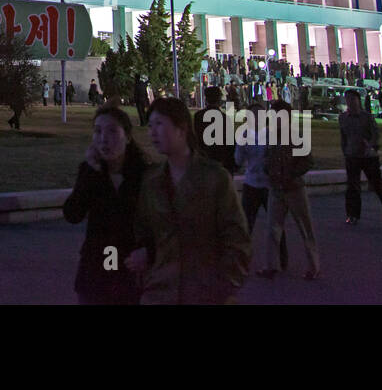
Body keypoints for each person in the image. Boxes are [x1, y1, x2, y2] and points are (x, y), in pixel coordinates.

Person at [127, 97, 251, 304]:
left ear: (181, 128)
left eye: (159, 124)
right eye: (150, 126)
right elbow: (144, 232)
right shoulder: (151, 181)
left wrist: (226, 285)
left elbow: (236, 238)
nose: (153, 133)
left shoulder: (215, 177)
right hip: (160, 291)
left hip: (205, 291)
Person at [63, 105, 148, 304]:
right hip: (95, 273)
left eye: (112, 131)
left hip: (132, 271)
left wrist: (148, 252)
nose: (104, 139)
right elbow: (72, 214)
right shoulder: (90, 172)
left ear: (127, 136)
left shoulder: (144, 175)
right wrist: (90, 172)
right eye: (98, 131)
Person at [259, 100, 320, 279]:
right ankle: (271, 265)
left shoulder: (296, 136)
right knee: (272, 228)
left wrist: (290, 174)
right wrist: (268, 171)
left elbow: (308, 161)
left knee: (305, 228)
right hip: (277, 188)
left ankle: (314, 266)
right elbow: (267, 158)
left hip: (294, 188)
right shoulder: (270, 137)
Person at [234, 101, 288, 274]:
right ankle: (241, 260)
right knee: (246, 225)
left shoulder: (273, 135)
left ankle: (281, 260)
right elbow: (238, 160)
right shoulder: (244, 135)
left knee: (275, 225)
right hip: (252, 184)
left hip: (269, 185)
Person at [338, 89, 382, 224]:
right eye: (348, 99)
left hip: (368, 156)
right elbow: (343, 136)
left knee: (376, 184)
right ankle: (353, 214)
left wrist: (371, 145)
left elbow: (375, 134)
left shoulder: (367, 117)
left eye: (352, 99)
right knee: (352, 186)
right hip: (352, 155)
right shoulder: (343, 118)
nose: (350, 102)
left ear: (358, 101)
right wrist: (345, 150)